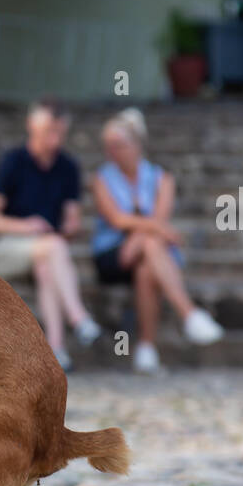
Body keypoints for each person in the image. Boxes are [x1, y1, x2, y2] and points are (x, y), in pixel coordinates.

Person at [91, 108, 223, 374]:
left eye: (118, 145)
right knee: (153, 243)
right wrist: (152, 230)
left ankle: (146, 351)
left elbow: (155, 221)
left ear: (137, 145)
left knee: (145, 267)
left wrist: (140, 235)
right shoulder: (102, 178)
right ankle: (189, 315)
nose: (112, 152)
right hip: (112, 253)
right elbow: (119, 221)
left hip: (143, 254)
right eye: (108, 146)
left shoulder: (161, 178)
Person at [0, 99, 101, 371]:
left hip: (47, 251)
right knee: (53, 248)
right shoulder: (13, 162)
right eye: (49, 131)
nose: (54, 139)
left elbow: (72, 218)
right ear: (31, 126)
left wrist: (70, 228)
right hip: (7, 249)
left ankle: (56, 350)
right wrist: (27, 226)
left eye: (59, 132)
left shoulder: (68, 167)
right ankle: (78, 317)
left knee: (47, 265)